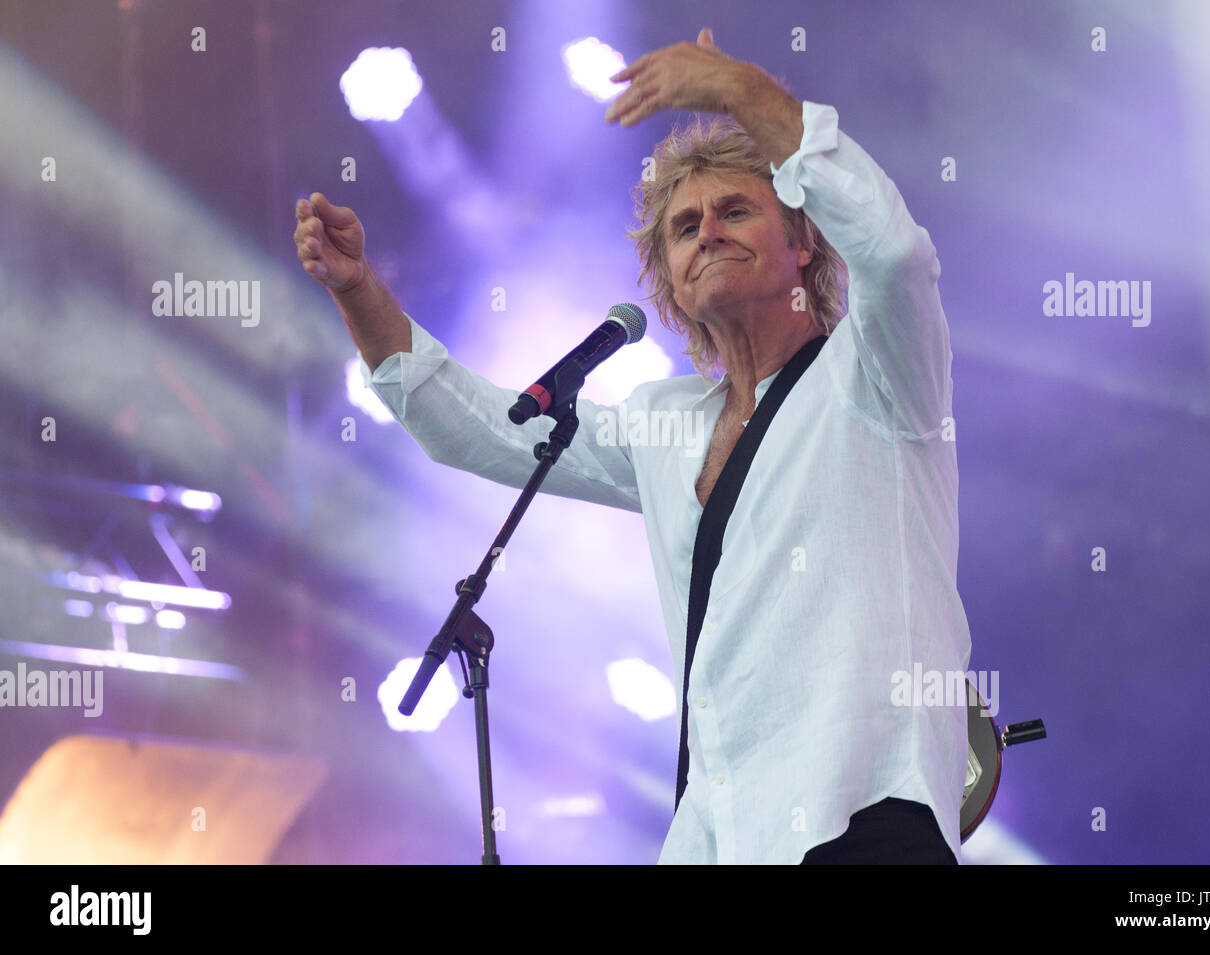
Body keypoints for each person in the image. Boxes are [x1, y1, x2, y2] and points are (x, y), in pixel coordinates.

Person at [293, 28, 969, 865]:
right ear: (671, 279)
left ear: (802, 240)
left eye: (734, 211)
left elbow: (894, 251)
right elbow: (478, 429)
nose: (706, 233)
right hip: (718, 839)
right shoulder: (667, 420)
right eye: (684, 228)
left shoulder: (875, 370)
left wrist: (737, 89)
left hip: (863, 816)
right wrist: (360, 293)